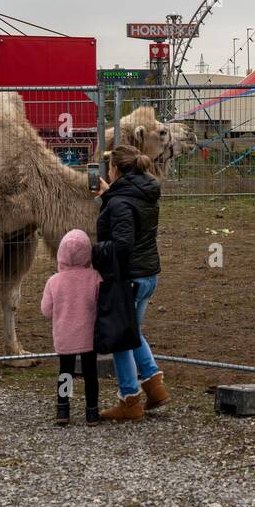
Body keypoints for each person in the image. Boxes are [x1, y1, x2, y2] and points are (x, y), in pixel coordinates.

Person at [94, 143, 170, 421]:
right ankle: (153, 383)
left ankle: (130, 398)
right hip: (148, 273)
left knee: (121, 339)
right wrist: (108, 196)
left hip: (129, 279)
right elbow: (131, 222)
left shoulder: (120, 201)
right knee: (132, 331)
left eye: (110, 167)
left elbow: (122, 243)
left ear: (116, 169)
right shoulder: (145, 193)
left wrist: (95, 252)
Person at [41, 229, 103, 426]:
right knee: (90, 374)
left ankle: (63, 408)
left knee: (65, 372)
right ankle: (92, 411)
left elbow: (46, 310)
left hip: (64, 336)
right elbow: (102, 302)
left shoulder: (54, 282)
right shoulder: (95, 277)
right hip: (88, 336)